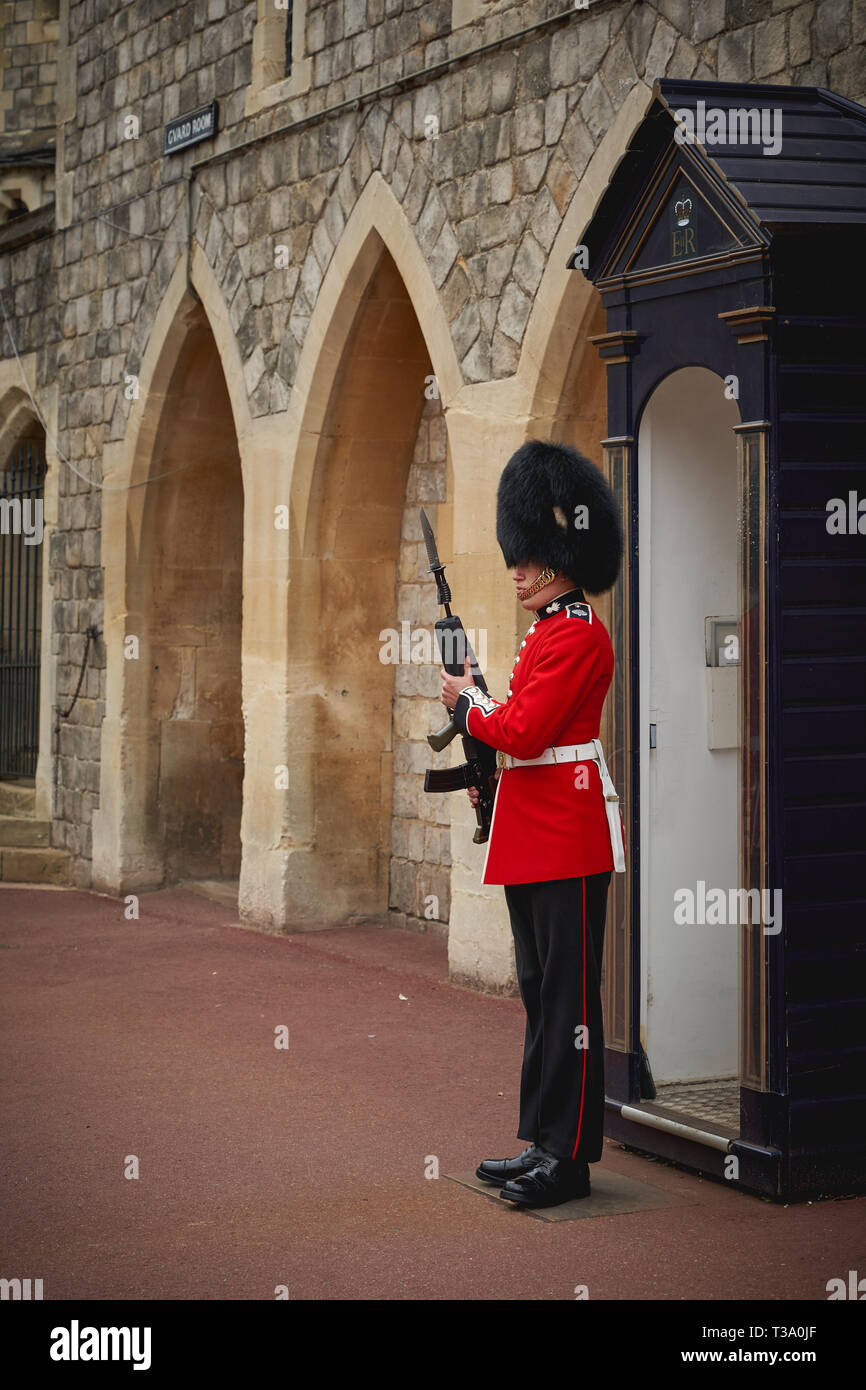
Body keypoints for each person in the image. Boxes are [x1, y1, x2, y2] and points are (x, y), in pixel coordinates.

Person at [440, 439, 624, 1210]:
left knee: (571, 1001)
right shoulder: (550, 630)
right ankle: (542, 1139)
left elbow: (524, 731)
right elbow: (516, 722)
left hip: (571, 835)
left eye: (528, 559)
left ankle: (571, 1158)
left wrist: (468, 705)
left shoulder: (580, 633)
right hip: (536, 835)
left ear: (562, 557)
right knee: (541, 989)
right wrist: (482, 702)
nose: (517, 570)